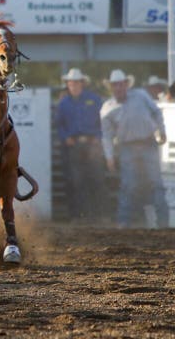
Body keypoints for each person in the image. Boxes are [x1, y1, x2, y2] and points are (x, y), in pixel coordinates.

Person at [100, 69, 168, 229]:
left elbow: (156, 112)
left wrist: (162, 130)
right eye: (115, 84)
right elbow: (107, 136)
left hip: (148, 144)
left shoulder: (141, 95)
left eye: (121, 84)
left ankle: (163, 224)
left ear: (126, 84)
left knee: (155, 183)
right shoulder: (108, 108)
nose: (118, 87)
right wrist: (109, 156)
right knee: (128, 185)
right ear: (111, 87)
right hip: (127, 148)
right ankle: (124, 224)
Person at [54, 68, 107, 222]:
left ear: (82, 83)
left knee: (97, 178)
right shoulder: (63, 103)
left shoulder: (94, 99)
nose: (74, 85)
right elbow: (59, 125)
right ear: (68, 84)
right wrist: (66, 137)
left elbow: (103, 121)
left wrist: (98, 136)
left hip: (92, 144)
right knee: (75, 181)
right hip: (73, 145)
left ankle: (100, 215)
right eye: (71, 82)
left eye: (76, 82)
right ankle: (77, 215)